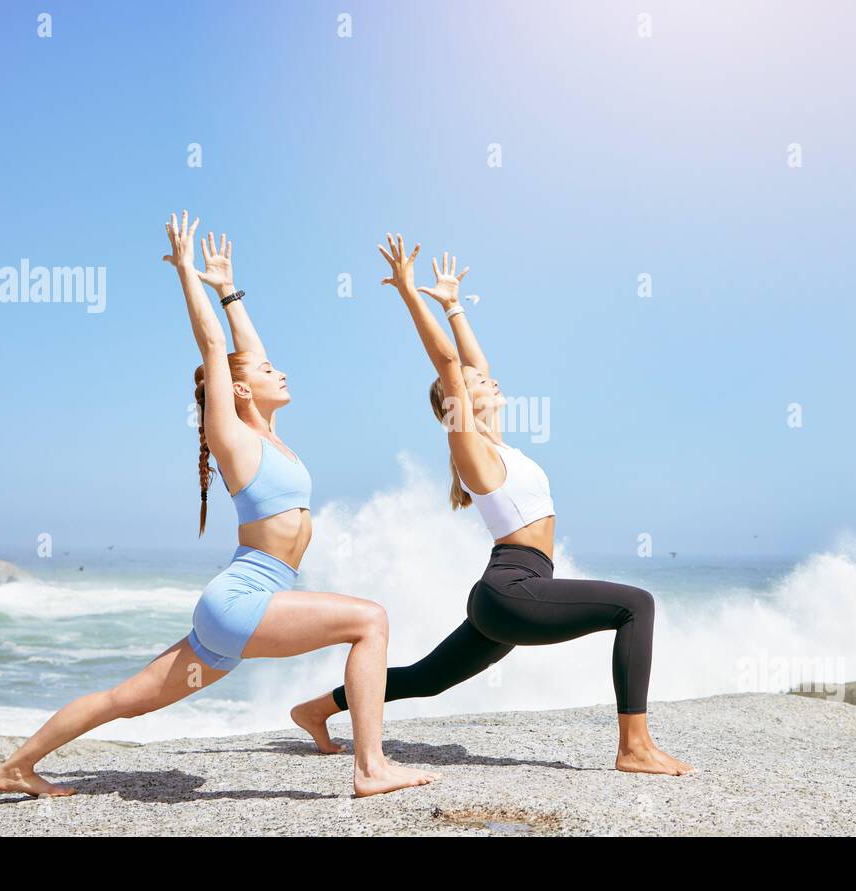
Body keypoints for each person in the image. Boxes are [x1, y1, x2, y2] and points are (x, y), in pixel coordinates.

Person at [0, 214, 437, 798]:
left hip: (233, 617)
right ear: (240, 390)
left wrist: (229, 288)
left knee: (124, 700)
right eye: (268, 370)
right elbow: (215, 348)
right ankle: (372, 768)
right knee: (369, 620)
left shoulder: (269, 432)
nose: (282, 369)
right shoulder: (235, 438)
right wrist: (185, 275)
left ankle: (15, 768)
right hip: (243, 600)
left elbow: (246, 350)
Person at [290, 234, 693, 776]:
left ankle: (315, 709)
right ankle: (634, 747)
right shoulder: (470, 450)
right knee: (636, 604)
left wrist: (453, 303)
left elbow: (470, 358)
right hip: (513, 591)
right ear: (458, 399)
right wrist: (410, 294)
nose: (491, 377)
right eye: (478, 382)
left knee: (427, 679)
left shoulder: (496, 442)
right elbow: (451, 362)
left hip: (506, 594)